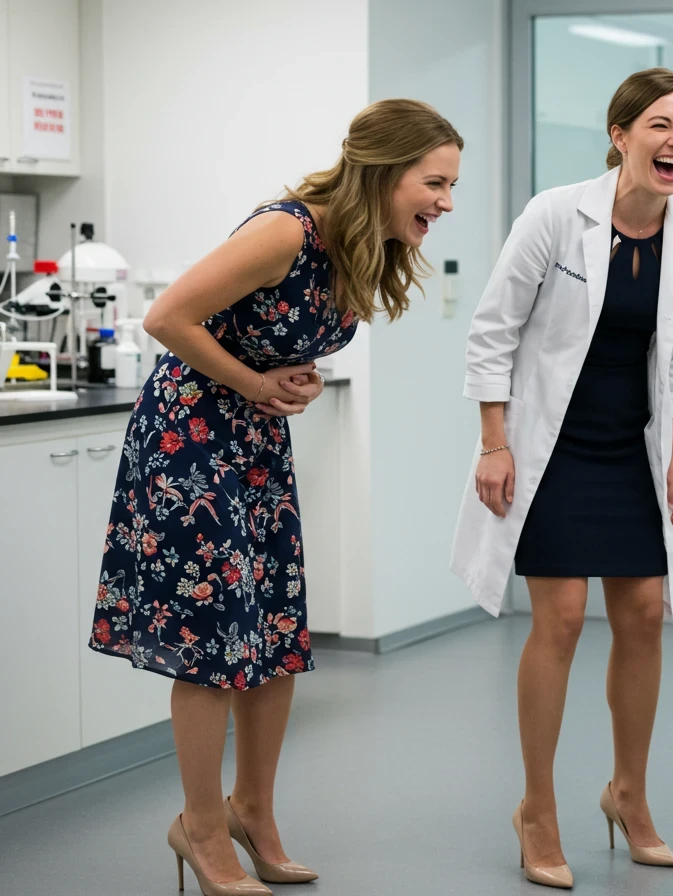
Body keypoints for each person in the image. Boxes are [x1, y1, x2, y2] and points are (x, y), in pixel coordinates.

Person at [89, 99, 462, 896]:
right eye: (435, 183)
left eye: (450, 186)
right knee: (213, 640)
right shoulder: (286, 231)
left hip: (255, 442)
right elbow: (167, 317)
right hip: (188, 442)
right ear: (383, 172)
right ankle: (199, 826)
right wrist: (256, 383)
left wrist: (291, 381)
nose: (446, 202)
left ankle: (252, 811)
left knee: (274, 632)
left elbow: (269, 338)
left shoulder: (357, 244)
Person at [450, 67, 673, 889]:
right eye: (660, 125)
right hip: (552, 447)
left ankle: (627, 794)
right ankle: (536, 808)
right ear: (620, 135)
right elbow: (492, 331)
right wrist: (493, 443)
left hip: (631, 446)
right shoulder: (555, 215)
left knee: (643, 616)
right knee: (561, 620)